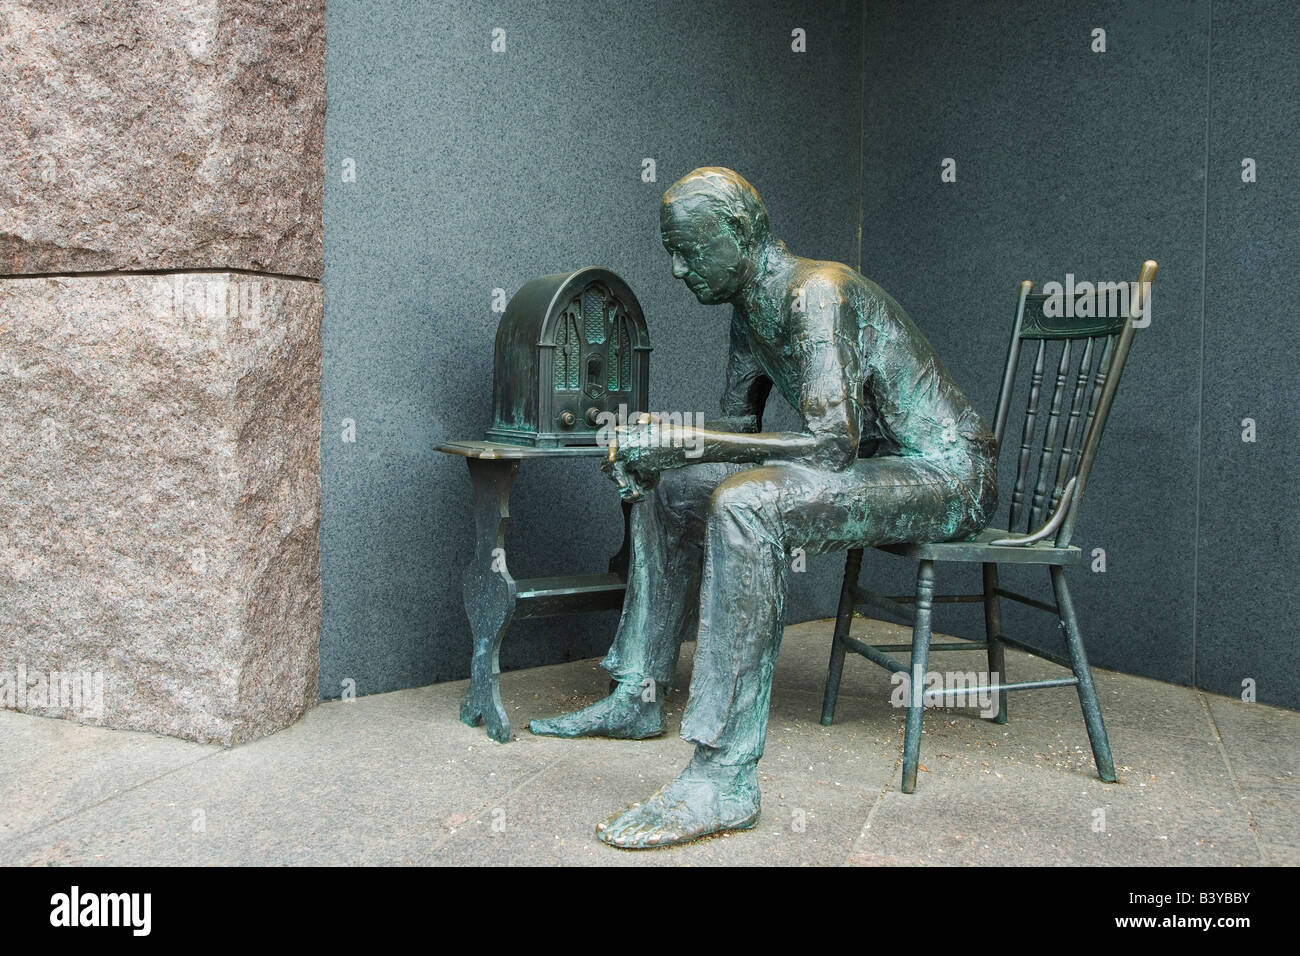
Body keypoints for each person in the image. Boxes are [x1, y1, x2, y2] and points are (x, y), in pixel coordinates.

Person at [530, 167, 998, 848]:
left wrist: (684, 439)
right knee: (676, 487)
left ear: (742, 232)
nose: (677, 267)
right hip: (878, 462)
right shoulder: (748, 309)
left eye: (689, 249)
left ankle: (723, 775)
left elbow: (829, 447)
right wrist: (663, 448)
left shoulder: (817, 294)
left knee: (747, 507)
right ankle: (638, 692)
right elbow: (738, 437)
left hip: (950, 474)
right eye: (671, 250)